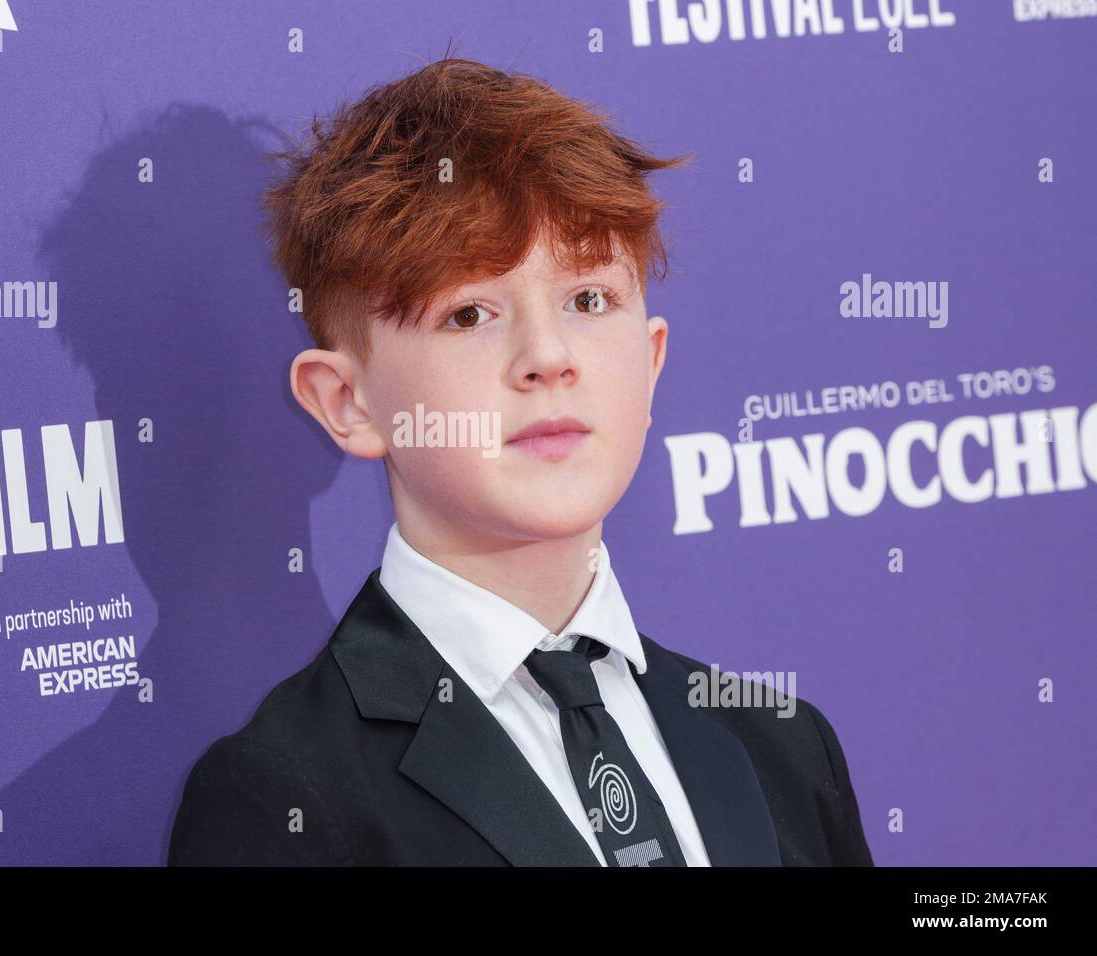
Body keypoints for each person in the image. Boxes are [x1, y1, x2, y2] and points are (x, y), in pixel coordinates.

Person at [167, 56, 873, 866]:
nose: (548, 356)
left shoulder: (782, 743)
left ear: (650, 363)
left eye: (588, 300)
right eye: (469, 313)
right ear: (347, 402)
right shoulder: (284, 797)